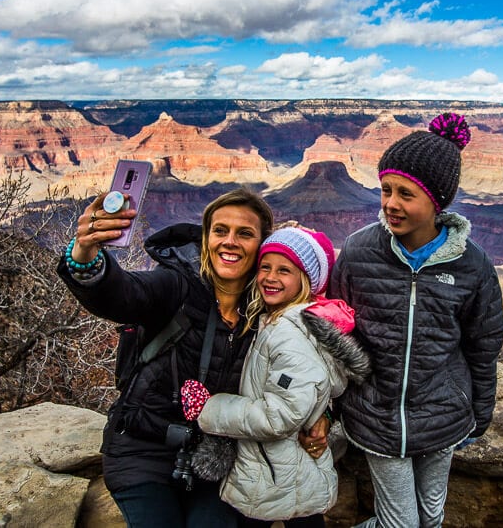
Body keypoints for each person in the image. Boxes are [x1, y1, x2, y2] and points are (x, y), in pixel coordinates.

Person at [57, 188, 328, 527]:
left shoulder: (269, 310)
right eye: (220, 231)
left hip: (216, 460)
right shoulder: (177, 285)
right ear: (206, 238)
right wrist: (85, 254)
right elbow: (123, 294)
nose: (229, 241)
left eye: (244, 233)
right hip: (144, 452)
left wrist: (324, 415)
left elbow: (315, 367)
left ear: (261, 247)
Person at [327, 113, 503, 528]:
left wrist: (480, 412)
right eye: (386, 189)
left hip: (443, 415)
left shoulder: (471, 265)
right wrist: (331, 406)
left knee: (431, 517)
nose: (390, 203)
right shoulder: (358, 251)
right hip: (377, 416)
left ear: (436, 202)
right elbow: (336, 331)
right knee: (400, 525)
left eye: (406, 194)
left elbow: (483, 344)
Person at [189, 225, 371, 527]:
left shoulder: (290, 333)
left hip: (275, 476)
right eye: (265, 267)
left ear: (307, 280)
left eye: (284, 270)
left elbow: (282, 414)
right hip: (286, 473)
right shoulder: (277, 320)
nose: (270, 277)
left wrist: (209, 409)